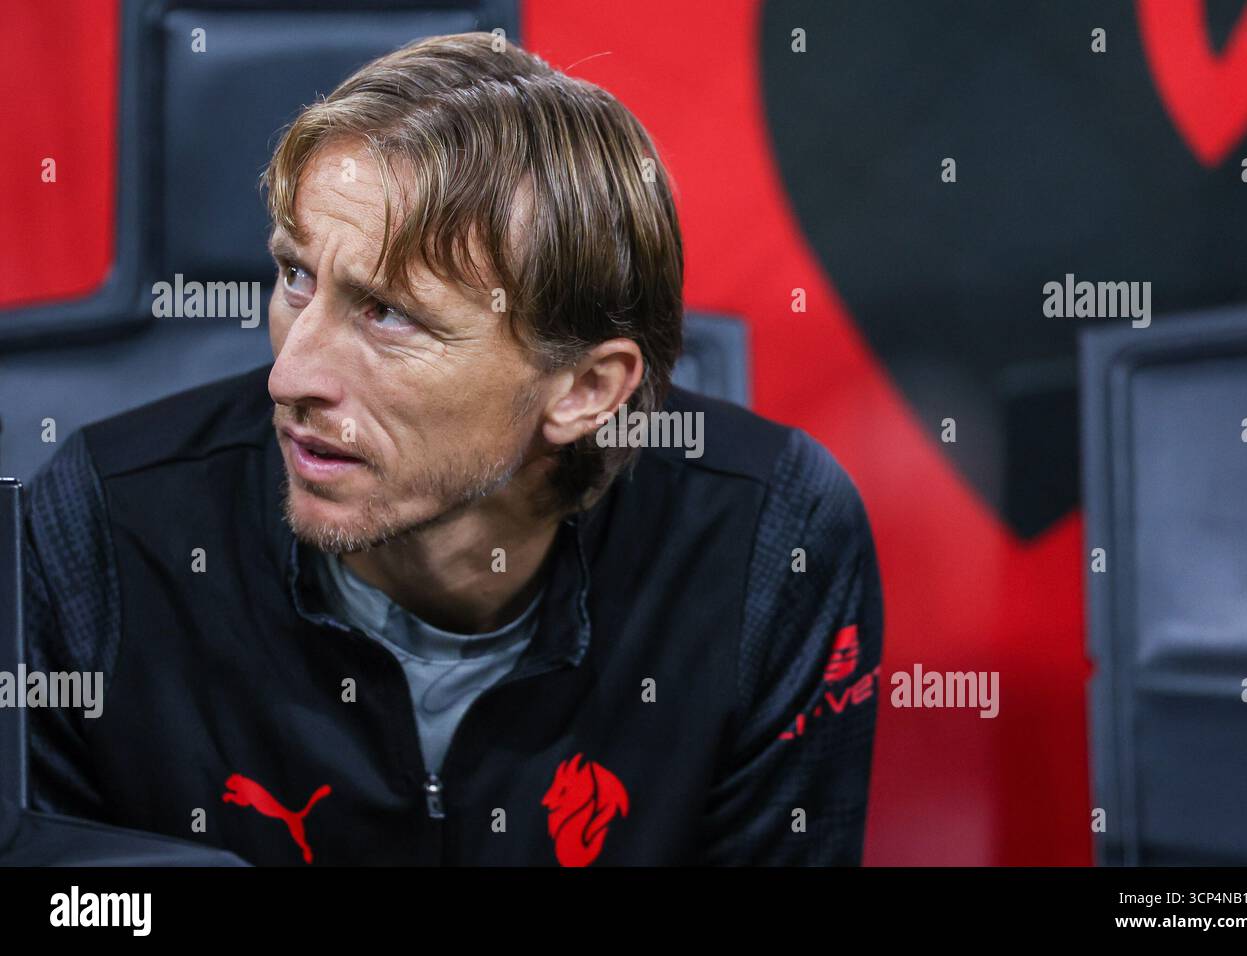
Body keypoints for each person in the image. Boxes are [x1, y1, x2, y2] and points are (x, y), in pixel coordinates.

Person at [22, 31, 883, 866]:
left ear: (585, 391)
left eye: (388, 313)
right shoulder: (101, 527)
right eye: (296, 276)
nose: (288, 377)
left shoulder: (773, 541)